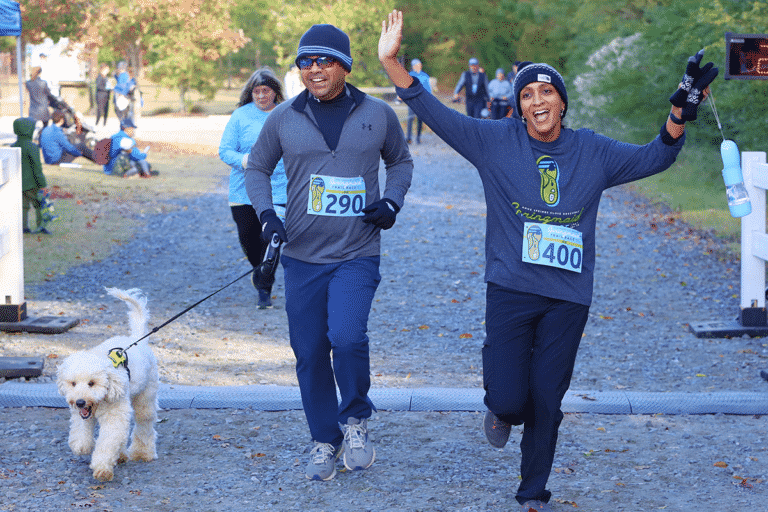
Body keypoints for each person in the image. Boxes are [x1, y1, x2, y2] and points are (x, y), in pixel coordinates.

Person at [379, 10, 717, 512]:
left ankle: (533, 491)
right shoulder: (494, 143)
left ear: (562, 101)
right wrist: (391, 63)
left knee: (547, 400)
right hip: (512, 288)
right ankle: (498, 405)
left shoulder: (592, 151)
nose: (538, 101)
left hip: (568, 296)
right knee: (512, 400)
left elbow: (656, 156)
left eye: (547, 92)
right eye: (527, 95)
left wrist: (678, 115)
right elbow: (432, 111)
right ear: (518, 109)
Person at [244, 23, 413, 482]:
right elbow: (257, 167)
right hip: (301, 256)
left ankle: (354, 419)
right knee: (310, 350)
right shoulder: (283, 116)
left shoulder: (378, 113)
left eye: (323, 61)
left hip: (357, 252)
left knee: (348, 336)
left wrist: (392, 201)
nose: (313, 69)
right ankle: (324, 439)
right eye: (305, 62)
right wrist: (267, 216)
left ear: (344, 65)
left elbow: (400, 161)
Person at [219, 67, 288, 309]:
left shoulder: (286, 114)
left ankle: (264, 290)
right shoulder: (240, 116)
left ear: (275, 92)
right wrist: (246, 161)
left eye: (266, 90)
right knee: (250, 241)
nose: (261, 96)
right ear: (251, 92)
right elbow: (225, 150)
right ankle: (259, 272)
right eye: (256, 91)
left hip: (278, 190)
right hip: (243, 191)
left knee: (272, 240)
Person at [12, 117, 50, 234]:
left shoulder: (13, 146)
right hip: (32, 182)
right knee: (39, 204)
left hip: (18, 182)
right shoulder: (32, 147)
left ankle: (23, 227)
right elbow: (37, 167)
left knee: (23, 206)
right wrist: (43, 184)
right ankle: (41, 226)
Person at [406, 58, 431, 143]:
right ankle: (409, 137)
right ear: (413, 66)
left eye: (419, 65)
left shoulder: (425, 76)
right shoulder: (409, 75)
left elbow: (428, 89)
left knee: (420, 119)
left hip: (421, 100)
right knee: (410, 118)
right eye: (416, 65)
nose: (418, 66)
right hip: (412, 101)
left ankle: (418, 137)